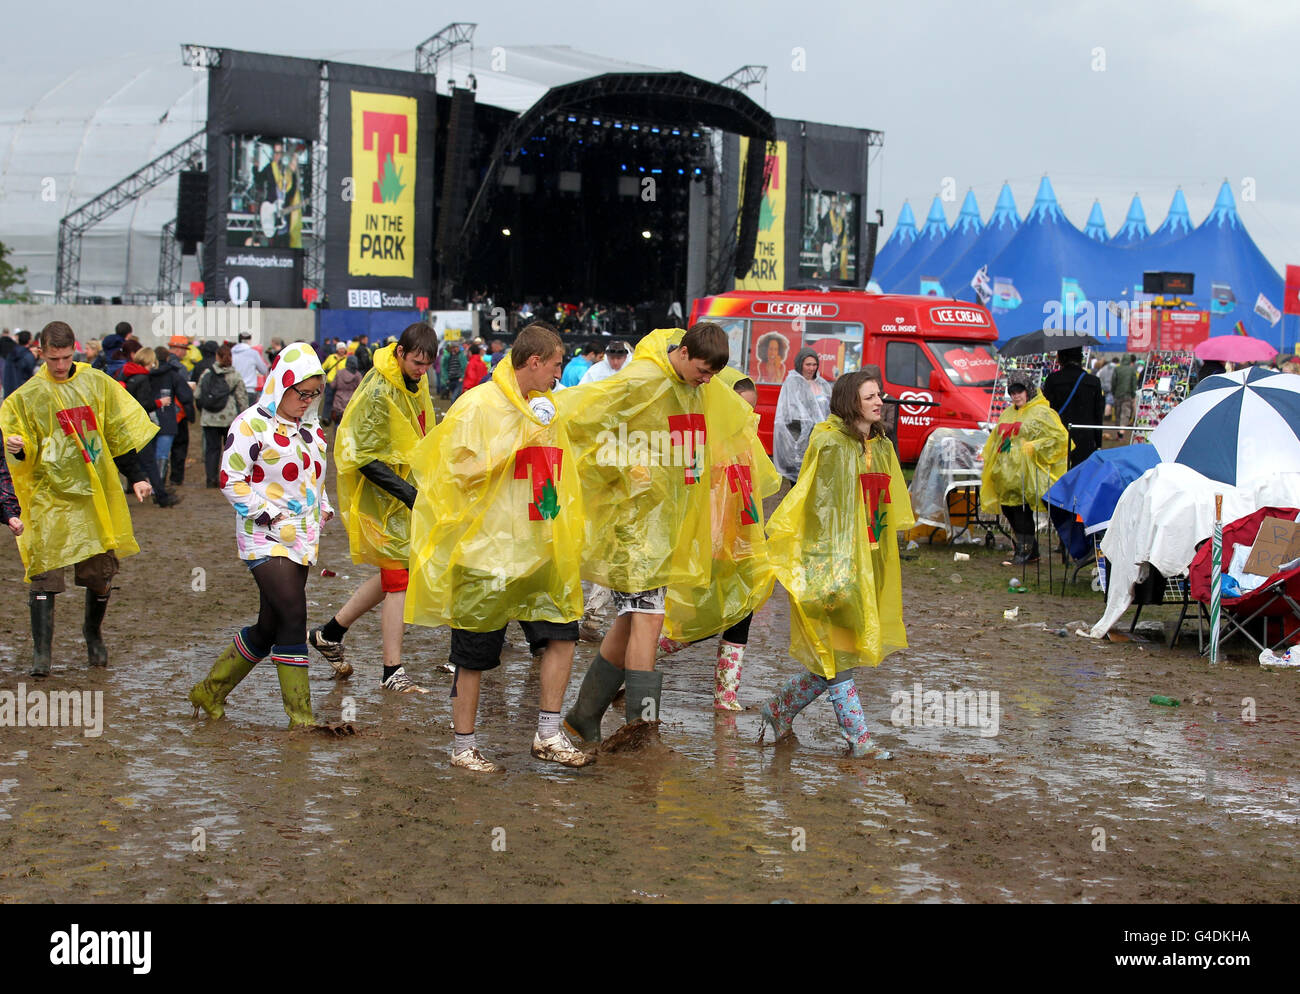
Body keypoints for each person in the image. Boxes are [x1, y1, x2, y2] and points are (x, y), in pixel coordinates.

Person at [407, 321, 592, 771]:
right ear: (533, 362)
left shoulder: (545, 407)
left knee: (563, 631)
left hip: (538, 547)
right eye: (554, 366)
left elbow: (555, 472)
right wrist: (516, 441)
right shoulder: (478, 405)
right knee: (472, 656)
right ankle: (463, 747)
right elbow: (459, 473)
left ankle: (548, 733)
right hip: (485, 553)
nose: (557, 375)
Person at [560, 323, 742, 743]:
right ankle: (641, 728)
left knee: (629, 622)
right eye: (702, 370)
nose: (707, 380)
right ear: (683, 353)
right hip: (635, 528)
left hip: (662, 527)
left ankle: (584, 716)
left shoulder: (693, 388)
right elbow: (589, 416)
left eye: (713, 375)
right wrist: (627, 471)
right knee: (648, 620)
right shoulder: (645, 378)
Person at [758, 371, 912, 759]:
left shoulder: (881, 447)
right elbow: (817, 507)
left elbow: (888, 509)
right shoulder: (829, 444)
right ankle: (859, 739)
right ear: (850, 401)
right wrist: (826, 566)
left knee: (835, 655)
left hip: (867, 561)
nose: (879, 401)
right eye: (870, 396)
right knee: (837, 655)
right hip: (831, 565)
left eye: (880, 394)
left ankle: (779, 709)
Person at [189, 344, 336, 728]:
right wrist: (269, 516)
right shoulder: (250, 424)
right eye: (299, 392)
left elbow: (314, 476)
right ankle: (301, 717)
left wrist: (323, 507)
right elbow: (230, 480)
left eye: (313, 394)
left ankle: (210, 691)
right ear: (280, 383)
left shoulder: (311, 427)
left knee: (269, 626)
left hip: (302, 537)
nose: (305, 401)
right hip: (262, 536)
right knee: (293, 612)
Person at [1, 321, 157, 677]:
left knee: (100, 574)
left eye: (66, 357)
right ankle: (43, 652)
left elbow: (116, 434)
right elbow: (17, 449)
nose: (60, 365)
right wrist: (17, 448)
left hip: (92, 496)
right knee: (43, 574)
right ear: (40, 352)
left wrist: (137, 476)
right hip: (48, 498)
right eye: (53, 358)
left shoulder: (96, 384)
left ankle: (93, 633)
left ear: (77, 352)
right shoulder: (27, 397)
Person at [310, 323, 438, 692]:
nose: (421, 370)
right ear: (400, 352)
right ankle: (391, 671)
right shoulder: (378, 390)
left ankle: (329, 634)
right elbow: (362, 456)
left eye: (427, 365)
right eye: (416, 362)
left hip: (404, 492)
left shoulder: (415, 382)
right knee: (398, 579)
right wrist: (410, 495)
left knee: (395, 576)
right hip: (381, 497)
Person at [657, 372, 781, 711]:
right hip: (709, 548)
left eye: (752, 409)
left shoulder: (748, 445)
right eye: (740, 406)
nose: (747, 415)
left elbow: (754, 494)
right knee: (698, 620)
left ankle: (727, 694)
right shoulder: (705, 441)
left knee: (742, 612)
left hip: (742, 547)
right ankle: (635, 660)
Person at [980, 370, 1069, 565]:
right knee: (1009, 508)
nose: (1016, 396)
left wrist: (1035, 446)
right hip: (1007, 472)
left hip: (1029, 471)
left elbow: (1059, 438)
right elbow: (998, 438)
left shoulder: (1042, 412)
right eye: (1012, 393)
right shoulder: (1008, 413)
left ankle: (1027, 550)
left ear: (1028, 390)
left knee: (1021, 509)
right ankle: (1026, 547)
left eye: (1019, 391)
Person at [119, 346, 182, 508]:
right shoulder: (142, 378)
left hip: (123, 425)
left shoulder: (126, 374)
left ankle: (141, 489)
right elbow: (143, 404)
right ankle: (161, 496)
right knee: (150, 463)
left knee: (128, 460)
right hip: (137, 425)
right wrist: (160, 402)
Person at [773, 347, 833, 485]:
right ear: (800, 364)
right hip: (799, 437)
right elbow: (791, 412)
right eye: (808, 364)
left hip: (819, 438)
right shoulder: (793, 382)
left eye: (814, 364)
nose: (811, 368)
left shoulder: (821, 383)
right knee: (800, 480)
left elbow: (828, 408)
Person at [196, 343, 248, 488]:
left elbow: (197, 394)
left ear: (217, 357)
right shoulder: (235, 375)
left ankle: (210, 479)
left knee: (211, 450)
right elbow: (241, 398)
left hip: (209, 418)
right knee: (230, 450)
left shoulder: (207, 373)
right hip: (229, 417)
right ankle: (229, 478)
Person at [1042, 346, 1103, 468]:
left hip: (1059, 435)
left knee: (1059, 474)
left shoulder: (1053, 380)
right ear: (1081, 359)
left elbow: (1046, 410)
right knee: (1081, 475)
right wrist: (1098, 441)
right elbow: (1098, 414)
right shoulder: (1093, 381)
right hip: (1086, 436)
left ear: (1061, 359)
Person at [152, 345, 196, 487]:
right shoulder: (173, 374)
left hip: (148, 417)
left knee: (148, 454)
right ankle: (162, 484)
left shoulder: (146, 374)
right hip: (169, 418)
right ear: (167, 358)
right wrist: (190, 413)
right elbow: (186, 395)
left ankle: (148, 483)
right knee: (165, 454)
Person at [232, 332, 267, 401]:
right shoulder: (253, 353)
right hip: (249, 390)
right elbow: (264, 370)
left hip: (234, 389)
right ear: (249, 340)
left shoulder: (231, 352)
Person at [321, 341, 348, 426]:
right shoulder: (331, 357)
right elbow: (323, 367)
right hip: (330, 382)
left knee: (341, 402)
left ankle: (339, 418)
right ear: (337, 349)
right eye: (340, 348)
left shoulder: (347, 359)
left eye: (343, 348)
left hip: (341, 384)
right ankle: (326, 417)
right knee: (328, 400)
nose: (342, 350)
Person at [330, 354, 362, 423]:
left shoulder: (339, 373)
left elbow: (332, 385)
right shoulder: (357, 375)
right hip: (351, 401)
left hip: (338, 401)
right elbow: (361, 388)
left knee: (338, 423)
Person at [1111, 354, 1137, 436]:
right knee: (1125, 413)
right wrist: (1133, 394)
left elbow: (1113, 382)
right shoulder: (1132, 370)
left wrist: (1113, 392)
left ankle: (1118, 430)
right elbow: (1134, 383)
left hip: (1118, 394)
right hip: (1128, 394)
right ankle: (1121, 431)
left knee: (1117, 412)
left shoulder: (1117, 369)